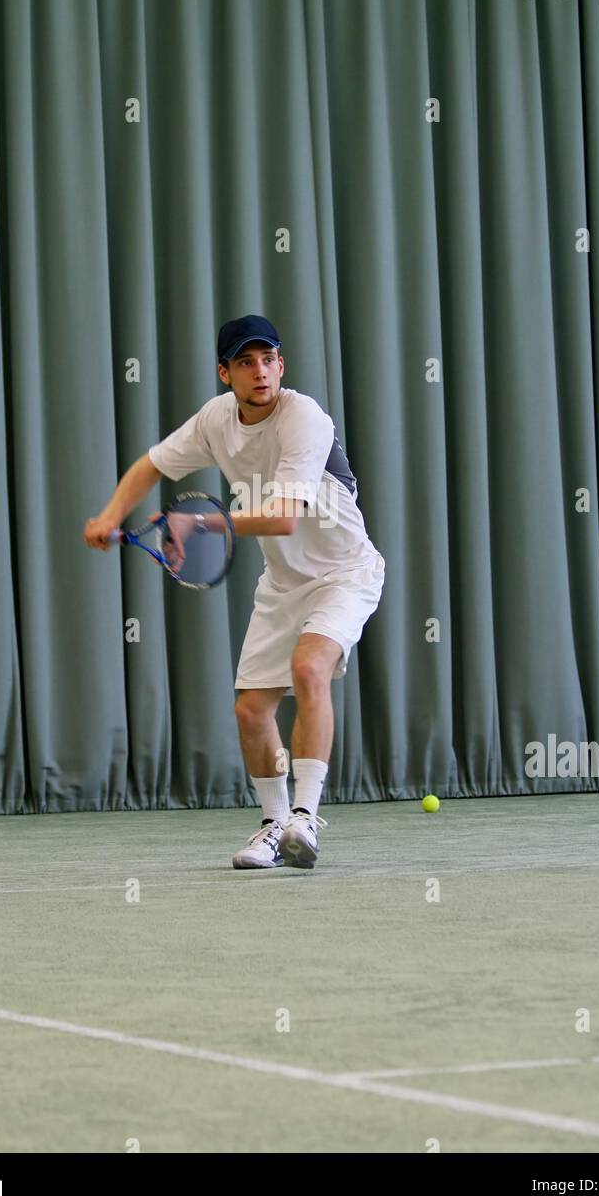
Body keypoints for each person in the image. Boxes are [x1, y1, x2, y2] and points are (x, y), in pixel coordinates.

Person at [84, 315, 385, 870]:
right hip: (282, 583)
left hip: (344, 572)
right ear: (226, 373)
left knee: (310, 669)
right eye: (245, 363)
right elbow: (151, 465)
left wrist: (202, 523)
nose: (260, 371)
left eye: (268, 359)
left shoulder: (305, 419)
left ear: (281, 365)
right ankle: (274, 826)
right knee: (251, 710)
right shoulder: (215, 420)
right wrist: (109, 515)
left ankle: (305, 817)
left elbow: (282, 520)